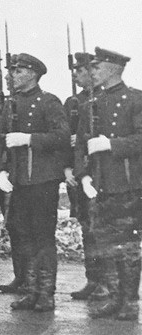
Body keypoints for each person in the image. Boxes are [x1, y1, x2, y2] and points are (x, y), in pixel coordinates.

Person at [0, 54, 70, 312]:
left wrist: (28, 138)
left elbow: (61, 137)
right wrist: (1, 171)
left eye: (18, 71)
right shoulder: (10, 104)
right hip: (19, 181)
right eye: (12, 71)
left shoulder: (48, 102)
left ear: (33, 74)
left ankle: (46, 293)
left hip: (42, 180)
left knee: (43, 238)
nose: (12, 75)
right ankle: (31, 289)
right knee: (23, 236)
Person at [74, 47, 141, 321]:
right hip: (99, 183)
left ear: (114, 68)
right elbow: (80, 143)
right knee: (104, 243)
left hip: (126, 184)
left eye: (98, 67)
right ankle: (114, 297)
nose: (93, 72)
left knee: (126, 246)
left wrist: (111, 144)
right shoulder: (91, 102)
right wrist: (84, 175)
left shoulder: (135, 99)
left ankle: (129, 301)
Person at [64, 52, 106, 300]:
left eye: (80, 70)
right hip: (79, 173)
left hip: (102, 172)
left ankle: (108, 283)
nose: (76, 75)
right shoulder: (73, 102)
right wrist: (67, 168)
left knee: (102, 227)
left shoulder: (104, 98)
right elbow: (65, 138)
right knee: (86, 228)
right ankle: (93, 279)